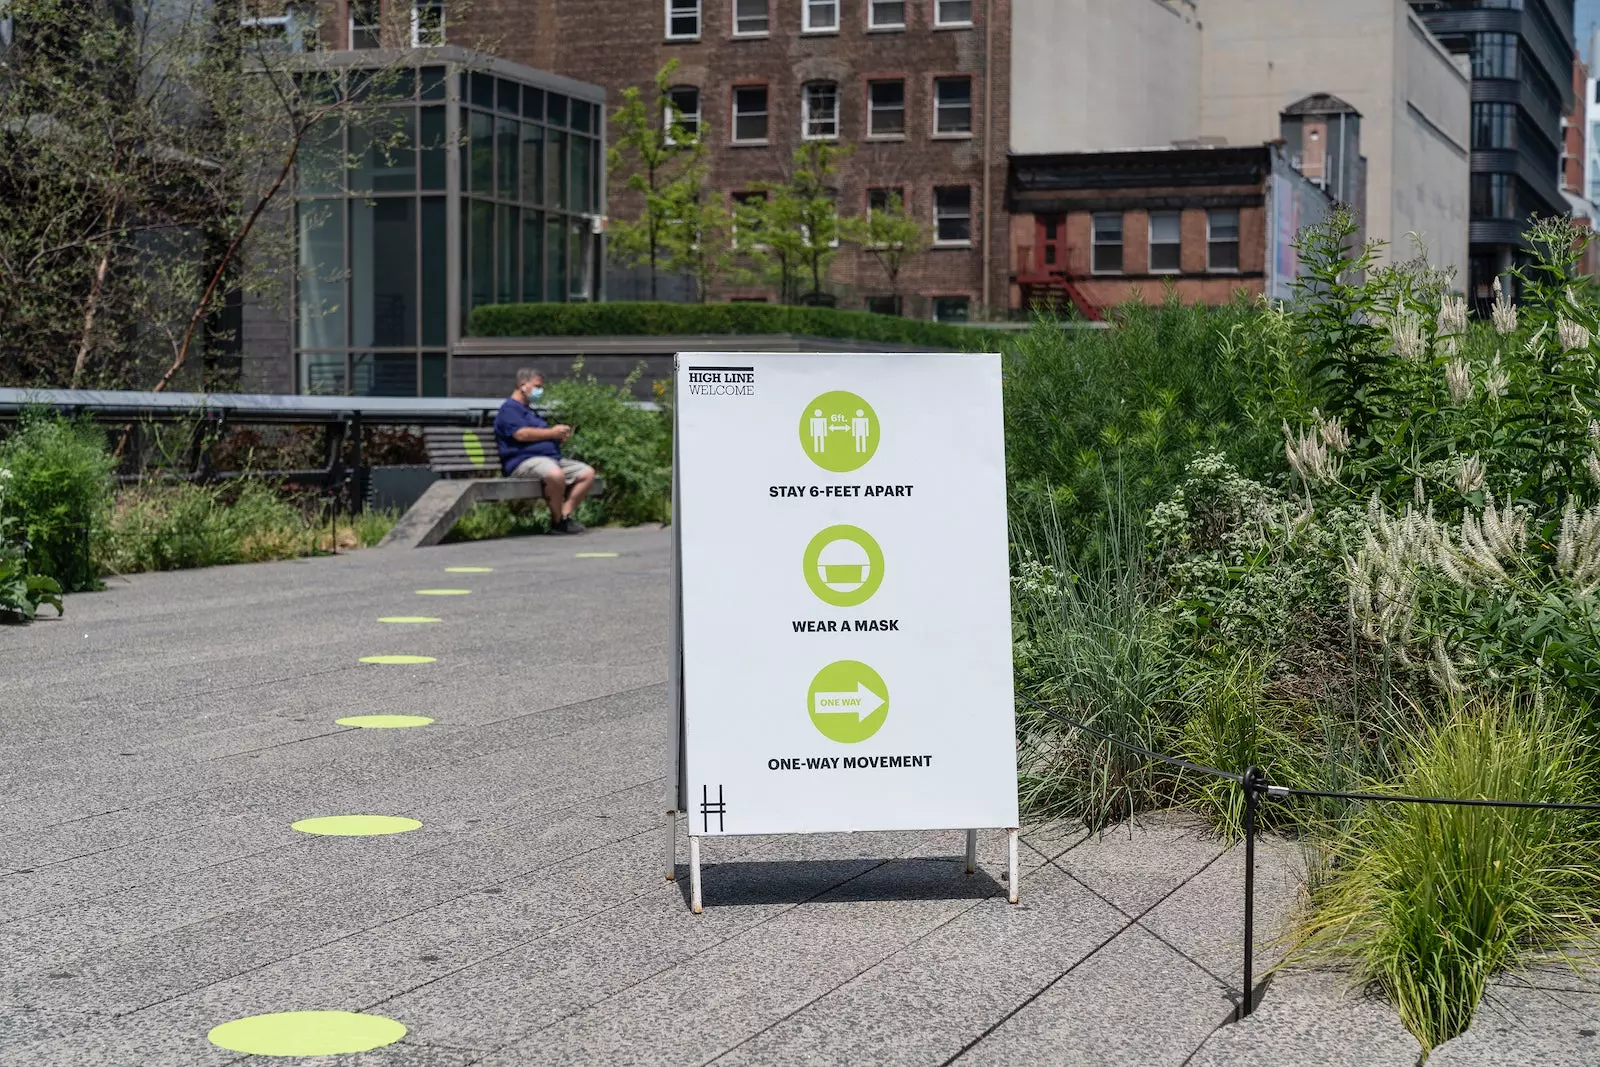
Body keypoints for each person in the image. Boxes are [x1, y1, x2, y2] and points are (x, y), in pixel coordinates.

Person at [493, 368, 596, 534]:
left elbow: (540, 435)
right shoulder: (509, 409)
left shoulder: (531, 412)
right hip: (523, 462)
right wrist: (551, 432)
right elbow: (521, 434)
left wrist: (557, 437)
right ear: (523, 385)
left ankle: (564, 516)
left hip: (549, 460)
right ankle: (557, 522)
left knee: (587, 474)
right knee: (555, 475)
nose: (540, 391)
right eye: (537, 386)